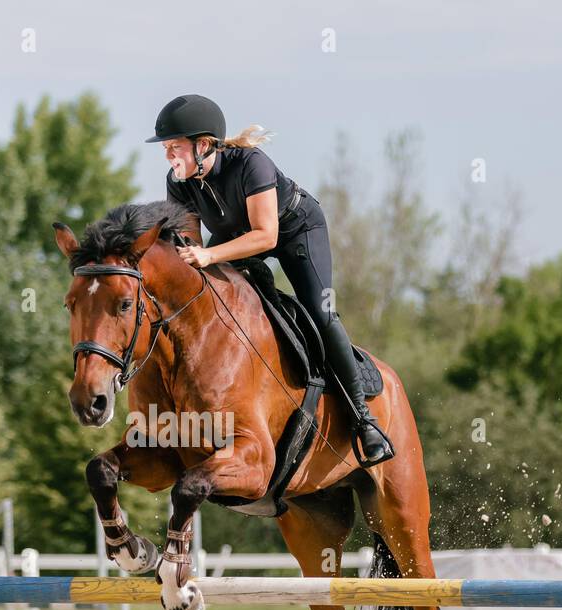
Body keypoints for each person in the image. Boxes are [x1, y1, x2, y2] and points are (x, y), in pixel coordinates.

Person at [148, 93, 394, 466]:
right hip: (235, 239)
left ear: (202, 145)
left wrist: (210, 255)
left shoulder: (251, 164)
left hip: (294, 231)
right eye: (166, 148)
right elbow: (193, 244)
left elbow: (266, 236)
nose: (168, 156)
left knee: (320, 311)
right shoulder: (179, 181)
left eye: (174, 147)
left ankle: (364, 419)